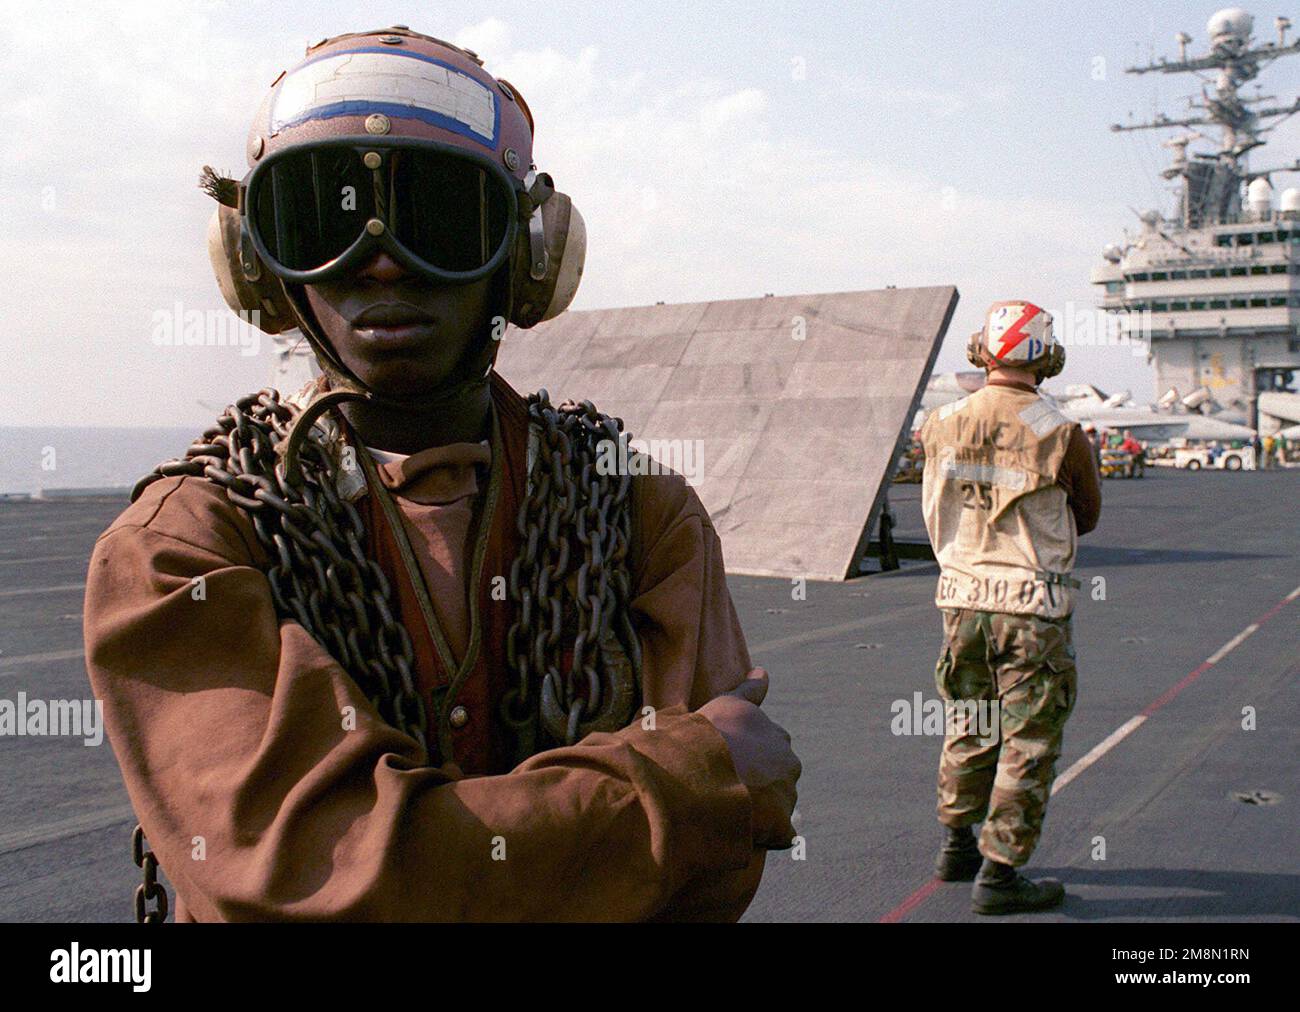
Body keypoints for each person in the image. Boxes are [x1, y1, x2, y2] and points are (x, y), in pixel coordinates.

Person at [83, 27, 800, 922]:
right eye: (323, 217)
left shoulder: (642, 513)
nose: (382, 259)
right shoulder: (183, 547)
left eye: (441, 215)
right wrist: (694, 780)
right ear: (257, 261)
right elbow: (296, 879)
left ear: (527, 255)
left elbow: (712, 878)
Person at [919, 300, 1101, 915]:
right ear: (1044, 355)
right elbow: (1089, 516)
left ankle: (956, 844)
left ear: (983, 350)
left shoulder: (939, 423)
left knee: (971, 720)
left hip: (962, 601)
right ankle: (1000, 874)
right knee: (1028, 737)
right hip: (1031, 607)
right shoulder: (1060, 431)